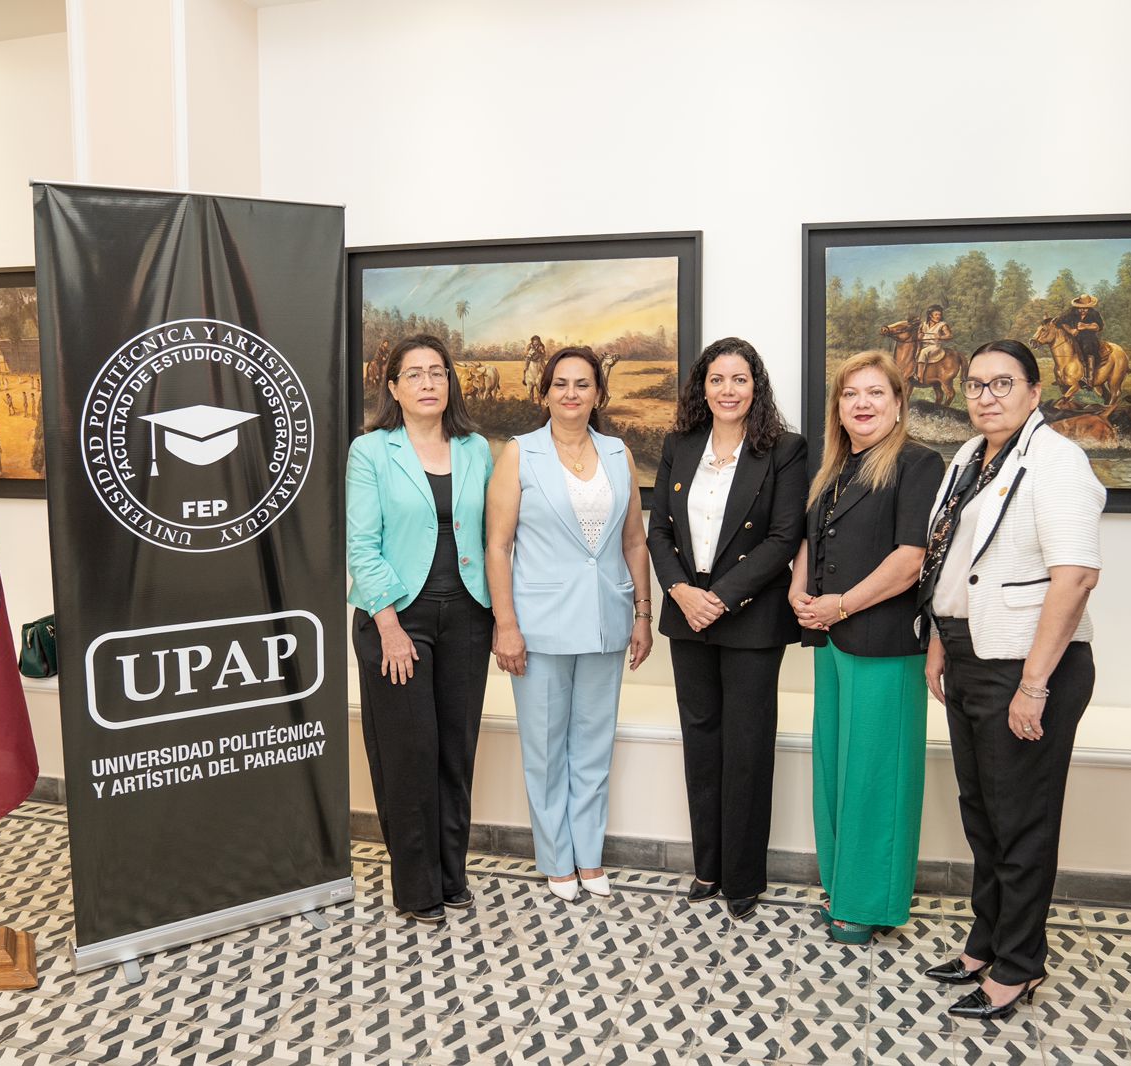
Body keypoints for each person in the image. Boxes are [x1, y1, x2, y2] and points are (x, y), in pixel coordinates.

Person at [917, 339, 1104, 1020]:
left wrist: (1033, 684)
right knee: (983, 814)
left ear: (1034, 391)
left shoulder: (1058, 462)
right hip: (969, 652)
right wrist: (940, 639)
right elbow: (948, 560)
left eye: (1002, 383)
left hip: (1026, 666)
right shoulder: (971, 458)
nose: (986, 396)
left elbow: (1076, 575)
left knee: (1021, 823)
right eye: (975, 384)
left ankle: (1018, 966)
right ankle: (986, 940)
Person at [647, 337, 807, 920]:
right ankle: (707, 867)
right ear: (702, 387)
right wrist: (683, 593)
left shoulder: (784, 449)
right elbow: (658, 532)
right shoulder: (679, 445)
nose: (728, 390)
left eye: (740, 380)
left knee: (746, 749)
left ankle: (743, 879)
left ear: (756, 387)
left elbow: (783, 538)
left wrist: (719, 598)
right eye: (717, 379)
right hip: (687, 617)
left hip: (752, 620)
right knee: (702, 745)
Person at [486, 346, 653, 902]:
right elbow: (498, 544)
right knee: (545, 745)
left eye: (583, 384)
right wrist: (505, 624)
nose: (571, 394)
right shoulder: (519, 454)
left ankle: (589, 855)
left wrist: (642, 615)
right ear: (545, 393)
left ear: (598, 394)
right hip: (538, 625)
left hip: (607, 619)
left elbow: (634, 540)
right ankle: (556, 858)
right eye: (560, 384)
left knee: (592, 744)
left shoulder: (617, 453)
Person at [790, 352, 944, 944]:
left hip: (883, 642)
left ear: (899, 403)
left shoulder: (918, 464)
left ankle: (868, 902)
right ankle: (842, 882)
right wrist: (801, 592)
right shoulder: (833, 468)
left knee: (877, 774)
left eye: (875, 393)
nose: (862, 404)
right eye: (850, 394)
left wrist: (842, 604)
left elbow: (910, 560)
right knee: (836, 765)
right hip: (830, 638)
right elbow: (809, 540)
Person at [346, 333, 495, 926]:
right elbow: (361, 544)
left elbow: (493, 536)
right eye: (414, 374)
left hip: (467, 617)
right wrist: (389, 625)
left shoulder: (478, 448)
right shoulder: (372, 451)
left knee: (456, 752)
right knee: (409, 756)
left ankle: (451, 875)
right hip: (397, 620)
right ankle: (416, 887)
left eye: (437, 372)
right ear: (393, 387)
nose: (428, 383)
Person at [1055, 294, 1104, 387]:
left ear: (1089, 307)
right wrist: (1070, 330)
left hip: (1089, 338)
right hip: (1073, 338)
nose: (1082, 310)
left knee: (1088, 349)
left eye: (1085, 308)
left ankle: (1089, 379)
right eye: (1080, 308)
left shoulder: (1094, 314)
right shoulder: (1072, 312)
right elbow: (1060, 322)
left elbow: (1099, 326)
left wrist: (1086, 326)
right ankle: (1062, 377)